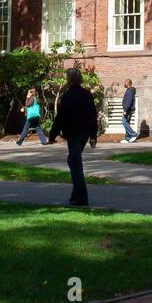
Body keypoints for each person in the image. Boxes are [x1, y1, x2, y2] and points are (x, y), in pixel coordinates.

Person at [48, 67, 99, 206]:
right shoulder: (87, 94)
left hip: (73, 134)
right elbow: (93, 115)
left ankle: (81, 197)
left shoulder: (67, 96)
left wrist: (52, 135)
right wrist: (93, 135)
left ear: (69, 79)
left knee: (75, 164)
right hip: (84, 134)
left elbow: (60, 117)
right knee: (73, 161)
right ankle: (75, 195)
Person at [121, 79, 138, 143]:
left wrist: (125, 110)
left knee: (124, 122)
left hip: (128, 110)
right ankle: (127, 138)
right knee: (127, 122)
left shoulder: (130, 91)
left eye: (125, 82)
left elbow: (129, 101)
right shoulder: (129, 90)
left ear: (128, 83)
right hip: (128, 109)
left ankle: (133, 134)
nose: (124, 84)